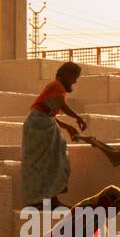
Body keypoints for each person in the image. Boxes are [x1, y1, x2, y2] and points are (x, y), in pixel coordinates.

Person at [21, 61, 86, 209]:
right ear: (65, 74)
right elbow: (60, 106)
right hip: (38, 126)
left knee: (56, 159)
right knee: (41, 162)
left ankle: (52, 198)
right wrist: (77, 118)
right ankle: (38, 201)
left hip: (45, 123)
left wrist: (68, 127)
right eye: (74, 76)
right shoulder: (57, 86)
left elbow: (51, 113)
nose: (75, 80)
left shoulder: (57, 88)